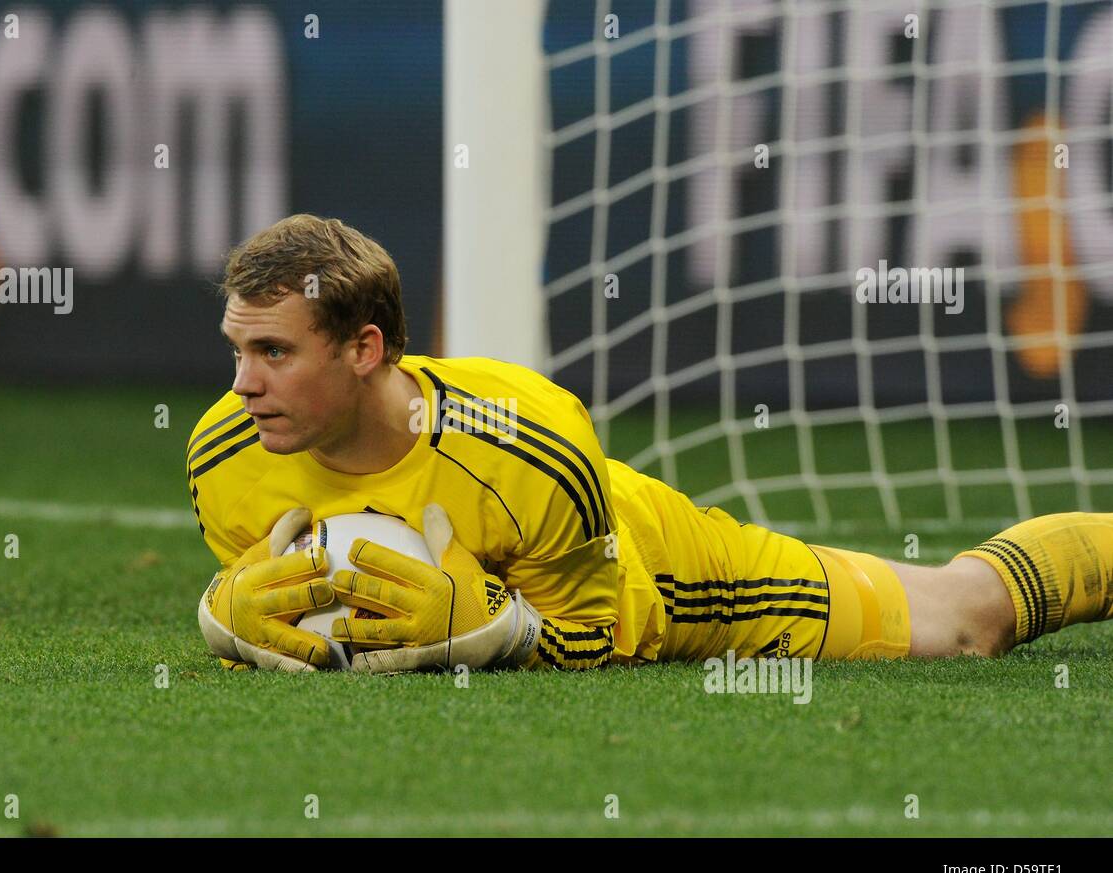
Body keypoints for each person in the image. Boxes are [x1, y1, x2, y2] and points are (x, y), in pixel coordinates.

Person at [188, 214, 1113, 673]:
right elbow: (284, 617)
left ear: (365, 349)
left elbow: (594, 638)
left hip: (660, 572)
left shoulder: (524, 441)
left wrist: (496, 631)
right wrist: (224, 621)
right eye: (238, 349)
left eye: (274, 352)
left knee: (963, 620)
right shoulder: (221, 457)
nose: (243, 384)